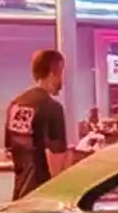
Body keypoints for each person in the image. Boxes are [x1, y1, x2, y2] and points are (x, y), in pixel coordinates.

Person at [5, 49, 70, 200]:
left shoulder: (16, 104)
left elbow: (9, 152)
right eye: (61, 73)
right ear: (54, 72)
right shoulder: (52, 107)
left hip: (20, 195)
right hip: (43, 197)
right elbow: (57, 166)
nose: (62, 80)